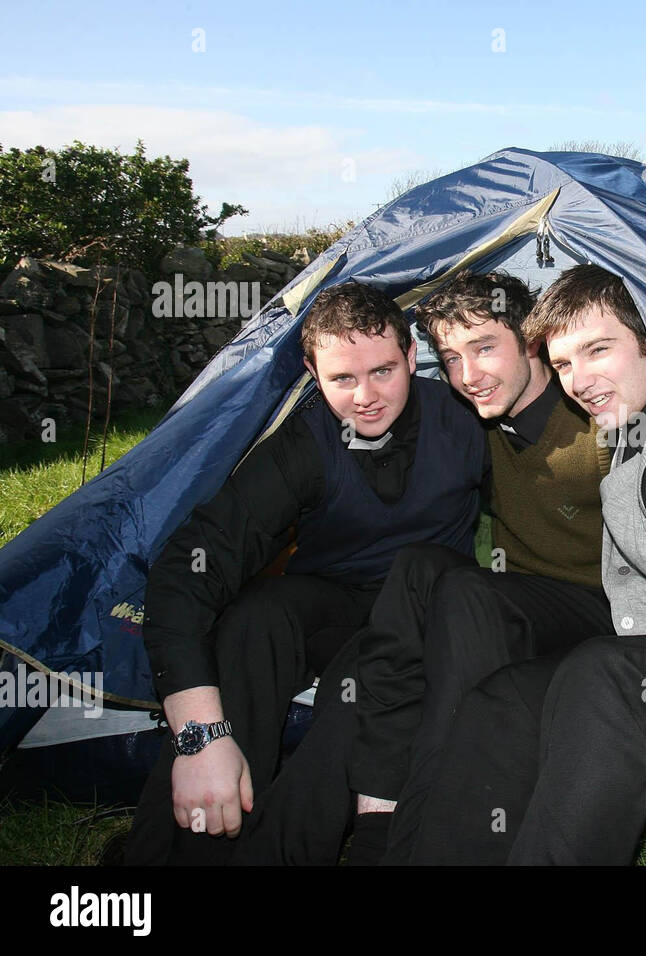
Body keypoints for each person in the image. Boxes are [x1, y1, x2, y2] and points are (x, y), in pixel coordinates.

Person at [384, 264, 646, 865]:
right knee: (503, 699)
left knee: (599, 674)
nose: (579, 380)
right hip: (642, 635)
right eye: (563, 363)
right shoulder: (630, 427)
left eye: (598, 350)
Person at [231, 270, 613, 864]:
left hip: (596, 612)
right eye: (451, 357)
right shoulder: (476, 421)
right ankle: (316, 835)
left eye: (485, 348)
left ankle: (397, 835)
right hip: (513, 605)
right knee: (393, 634)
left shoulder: (600, 420)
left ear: (532, 341)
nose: (467, 376)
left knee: (454, 596)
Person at [124, 280, 486, 865]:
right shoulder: (303, 444)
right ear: (312, 374)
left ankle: (275, 848)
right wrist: (198, 737)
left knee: (366, 675)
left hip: (420, 618)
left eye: (384, 372)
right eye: (343, 378)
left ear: (413, 357)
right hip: (334, 604)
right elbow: (190, 567)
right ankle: (168, 852)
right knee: (254, 618)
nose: (366, 396)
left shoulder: (466, 422)